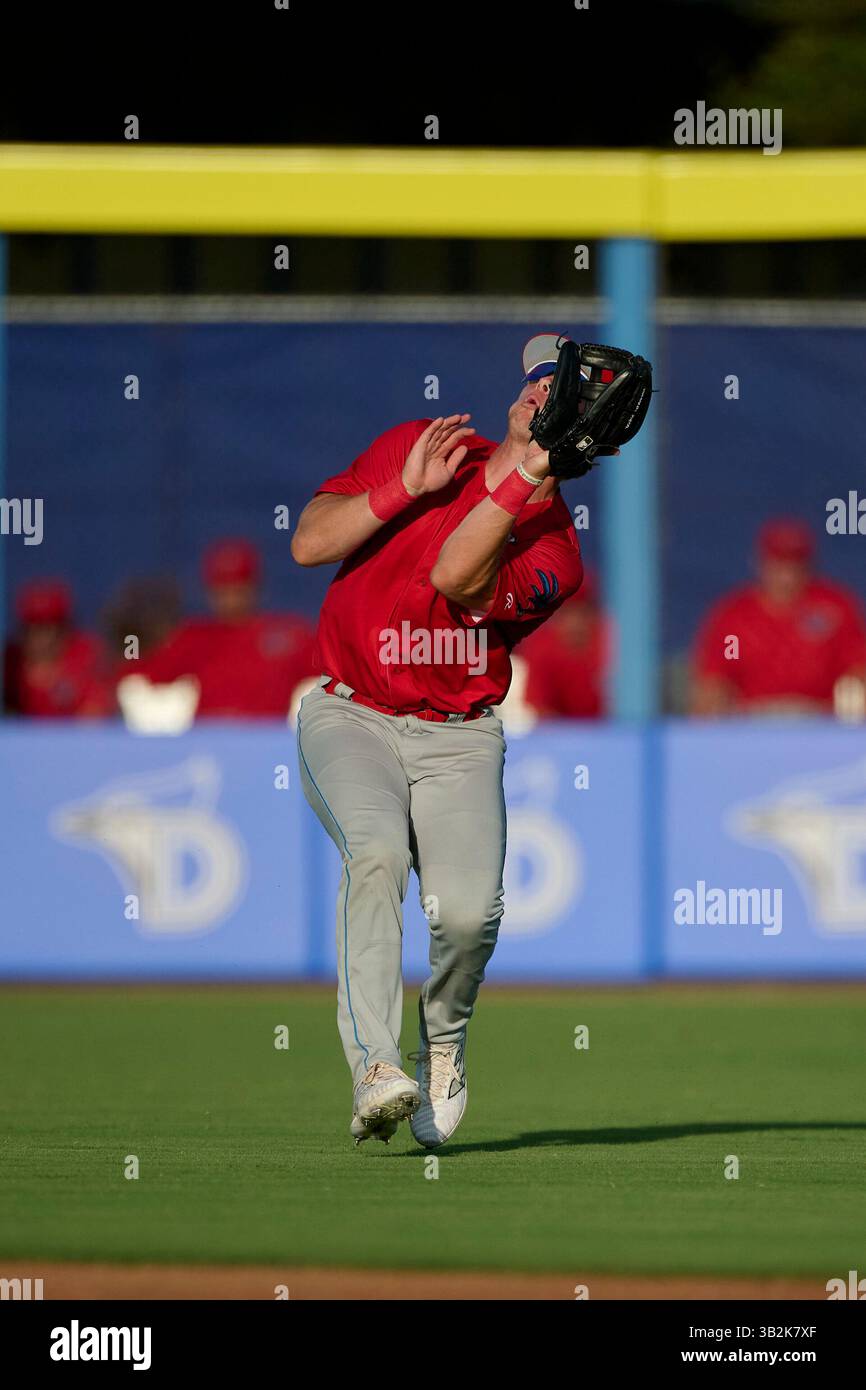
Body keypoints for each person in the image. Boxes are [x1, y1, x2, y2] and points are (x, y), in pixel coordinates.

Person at [291, 333, 587, 1149]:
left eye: (559, 391)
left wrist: (530, 475)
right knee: (376, 853)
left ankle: (445, 1037)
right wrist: (398, 491)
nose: (540, 397)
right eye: (535, 383)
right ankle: (377, 1070)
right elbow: (309, 541)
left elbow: (456, 576)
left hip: (458, 736)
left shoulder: (557, 551)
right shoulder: (428, 447)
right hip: (352, 711)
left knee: (463, 916)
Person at [691, 518, 866, 717]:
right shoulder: (736, 619)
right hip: (752, 725)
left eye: (795, 564)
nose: (787, 575)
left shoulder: (834, 609)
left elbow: (857, 669)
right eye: (779, 563)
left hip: (821, 724)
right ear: (761, 563)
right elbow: (718, 678)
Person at [137, 539, 315, 719]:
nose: (230, 598)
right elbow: (141, 677)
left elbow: (334, 674)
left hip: (267, 740)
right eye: (222, 589)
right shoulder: (195, 637)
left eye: (238, 588)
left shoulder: (289, 634)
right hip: (209, 739)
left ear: (255, 587)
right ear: (209, 591)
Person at [4, 578, 109, 718]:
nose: (39, 637)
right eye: (32, 627)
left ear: (64, 629)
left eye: (47, 627)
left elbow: (94, 718)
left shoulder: (86, 655)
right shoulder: (10, 662)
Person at [520, 569, 610, 719]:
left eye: (582, 612)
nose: (575, 622)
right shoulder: (542, 647)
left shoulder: (607, 640)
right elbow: (541, 709)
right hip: (562, 736)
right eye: (567, 612)